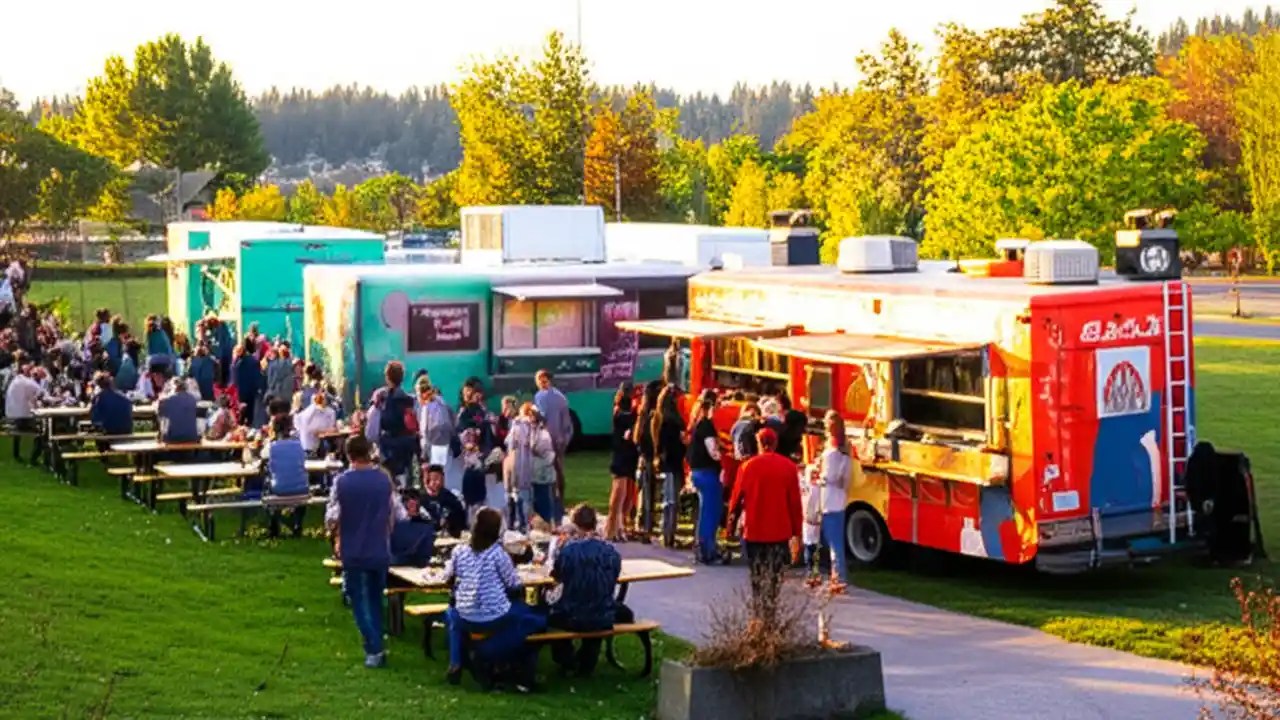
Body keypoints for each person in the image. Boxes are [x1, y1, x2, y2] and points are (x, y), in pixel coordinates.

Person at [442, 507, 545, 688]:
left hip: (465, 613)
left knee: (452, 613)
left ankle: (456, 661)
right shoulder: (498, 554)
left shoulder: (460, 551)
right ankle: (488, 654)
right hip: (493, 615)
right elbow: (513, 584)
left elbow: (448, 576)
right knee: (533, 619)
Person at [326, 435, 398, 668]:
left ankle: (374, 647)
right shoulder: (384, 480)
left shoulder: (342, 482)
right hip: (379, 548)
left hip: (353, 548)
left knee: (358, 600)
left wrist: (333, 530)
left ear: (349, 455)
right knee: (376, 600)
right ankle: (378, 643)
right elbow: (395, 513)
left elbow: (332, 516)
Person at [546, 504, 624, 676]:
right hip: (603, 614)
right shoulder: (611, 552)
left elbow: (557, 576)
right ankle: (587, 659)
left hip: (573, 614)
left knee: (548, 616)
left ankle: (566, 659)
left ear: (574, 524)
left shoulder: (569, 551)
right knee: (600, 607)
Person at [728, 428, 803, 604]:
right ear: (776, 443)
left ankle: (758, 615)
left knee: (757, 576)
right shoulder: (789, 468)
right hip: (779, 532)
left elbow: (736, 500)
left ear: (759, 443)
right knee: (774, 578)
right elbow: (795, 504)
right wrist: (797, 534)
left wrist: (730, 525)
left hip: (754, 531)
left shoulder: (747, 467)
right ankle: (770, 613)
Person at [365, 360, 418, 484]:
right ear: (402, 377)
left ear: (387, 377)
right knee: (406, 478)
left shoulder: (380, 397)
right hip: (407, 444)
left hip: (387, 445)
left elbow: (372, 430)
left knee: (387, 479)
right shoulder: (410, 399)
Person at [817, 410, 851, 593]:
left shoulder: (832, 452)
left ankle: (839, 577)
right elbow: (844, 478)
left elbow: (829, 475)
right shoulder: (844, 448)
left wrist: (819, 475)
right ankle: (837, 575)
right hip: (838, 498)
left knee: (833, 541)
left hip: (829, 498)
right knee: (835, 540)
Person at [688, 398, 725, 564]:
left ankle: (702, 547)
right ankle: (708, 551)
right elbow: (713, 452)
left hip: (697, 472)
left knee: (704, 513)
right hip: (708, 473)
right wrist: (723, 455)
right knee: (711, 513)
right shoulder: (707, 427)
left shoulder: (696, 425)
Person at [534, 369, 573, 521]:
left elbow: (542, 418)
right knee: (558, 469)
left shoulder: (541, 396)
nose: (540, 383)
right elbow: (567, 422)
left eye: (541, 380)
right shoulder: (561, 396)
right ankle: (559, 500)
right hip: (560, 438)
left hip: (547, 439)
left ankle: (551, 503)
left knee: (547, 472)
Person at [651, 384, 685, 548]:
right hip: (674, 462)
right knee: (672, 501)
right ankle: (669, 534)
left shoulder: (658, 419)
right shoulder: (673, 422)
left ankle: (667, 533)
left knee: (668, 500)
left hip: (665, 463)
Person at [604, 383, 637, 542]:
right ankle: (615, 527)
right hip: (624, 456)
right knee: (621, 495)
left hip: (621, 455)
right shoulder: (625, 414)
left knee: (621, 495)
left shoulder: (618, 410)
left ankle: (617, 527)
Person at [633, 380, 662, 543]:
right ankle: (647, 527)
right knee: (649, 493)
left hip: (642, 457)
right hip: (650, 458)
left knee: (643, 492)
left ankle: (641, 523)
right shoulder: (654, 416)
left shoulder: (642, 415)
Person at [5, 364, 43, 464]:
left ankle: (16, 454)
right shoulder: (28, 383)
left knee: (19, 430)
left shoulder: (16, 381)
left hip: (11, 415)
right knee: (42, 431)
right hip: (22, 417)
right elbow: (39, 394)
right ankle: (34, 458)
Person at [419, 463, 466, 537]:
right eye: (433, 479)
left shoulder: (451, 498)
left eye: (439, 479)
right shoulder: (422, 499)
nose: (436, 482)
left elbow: (459, 519)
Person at [157, 377, 200, 444]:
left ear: (174, 387)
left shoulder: (167, 400)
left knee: (163, 421)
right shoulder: (192, 399)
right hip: (192, 437)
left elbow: (162, 418)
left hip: (172, 438)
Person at [295, 390, 338, 456]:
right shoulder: (306, 413)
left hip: (319, 445)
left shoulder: (329, 411)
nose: (324, 401)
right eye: (322, 399)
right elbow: (313, 430)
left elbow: (332, 428)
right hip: (308, 448)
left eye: (324, 399)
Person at [232, 338, 263, 426]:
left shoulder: (237, 363)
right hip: (251, 390)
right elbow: (257, 375)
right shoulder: (253, 360)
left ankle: (241, 427)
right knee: (250, 413)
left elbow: (234, 378)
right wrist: (258, 387)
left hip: (240, 391)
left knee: (241, 413)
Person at [777, 391, 808, 461]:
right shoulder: (800, 417)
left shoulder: (781, 421)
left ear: (780, 405)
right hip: (796, 450)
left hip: (783, 453)